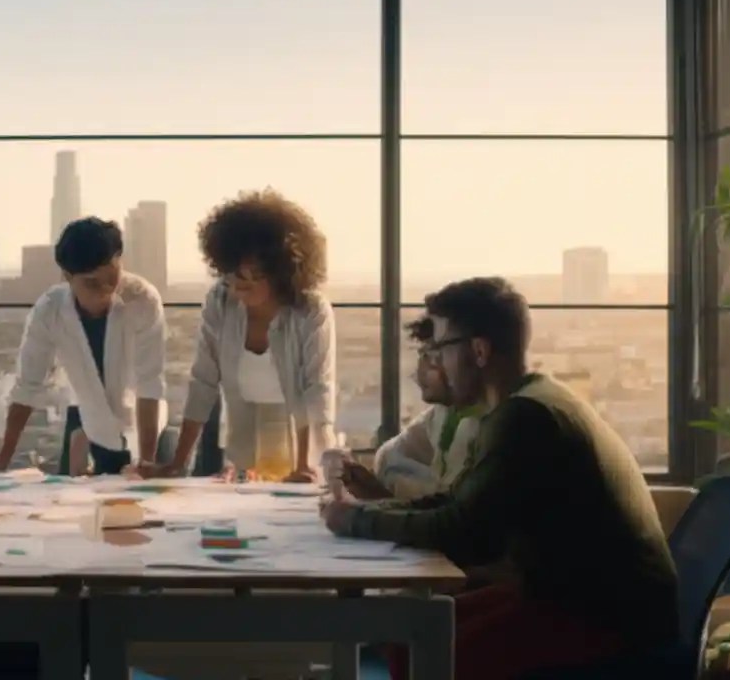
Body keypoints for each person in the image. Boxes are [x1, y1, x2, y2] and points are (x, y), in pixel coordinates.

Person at [322, 277, 678, 680]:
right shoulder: (528, 402)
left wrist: (355, 520)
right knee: (407, 634)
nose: (435, 361)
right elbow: (457, 504)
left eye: (440, 348)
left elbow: (465, 533)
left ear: (478, 351)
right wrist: (372, 507)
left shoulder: (523, 418)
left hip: (605, 619)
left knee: (415, 645)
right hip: (586, 599)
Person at [146, 188, 337, 482]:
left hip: (299, 440)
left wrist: (303, 466)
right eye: (232, 277)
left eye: (250, 279)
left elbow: (316, 393)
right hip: (241, 437)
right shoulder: (221, 300)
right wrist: (177, 463)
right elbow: (203, 382)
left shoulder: (310, 311)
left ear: (281, 272)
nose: (238, 289)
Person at [0, 217, 166, 475]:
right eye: (92, 283)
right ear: (68, 277)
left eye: (112, 275)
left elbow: (149, 384)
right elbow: (27, 388)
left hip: (145, 430)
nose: (106, 288)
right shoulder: (49, 310)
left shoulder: (143, 300)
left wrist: (147, 463)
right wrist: (2, 463)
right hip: (93, 428)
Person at [341, 315, 482, 501]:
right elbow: (389, 457)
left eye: (430, 355)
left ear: (478, 353)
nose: (418, 372)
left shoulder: (494, 425)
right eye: (423, 355)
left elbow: (455, 512)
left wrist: (385, 502)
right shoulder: (443, 414)